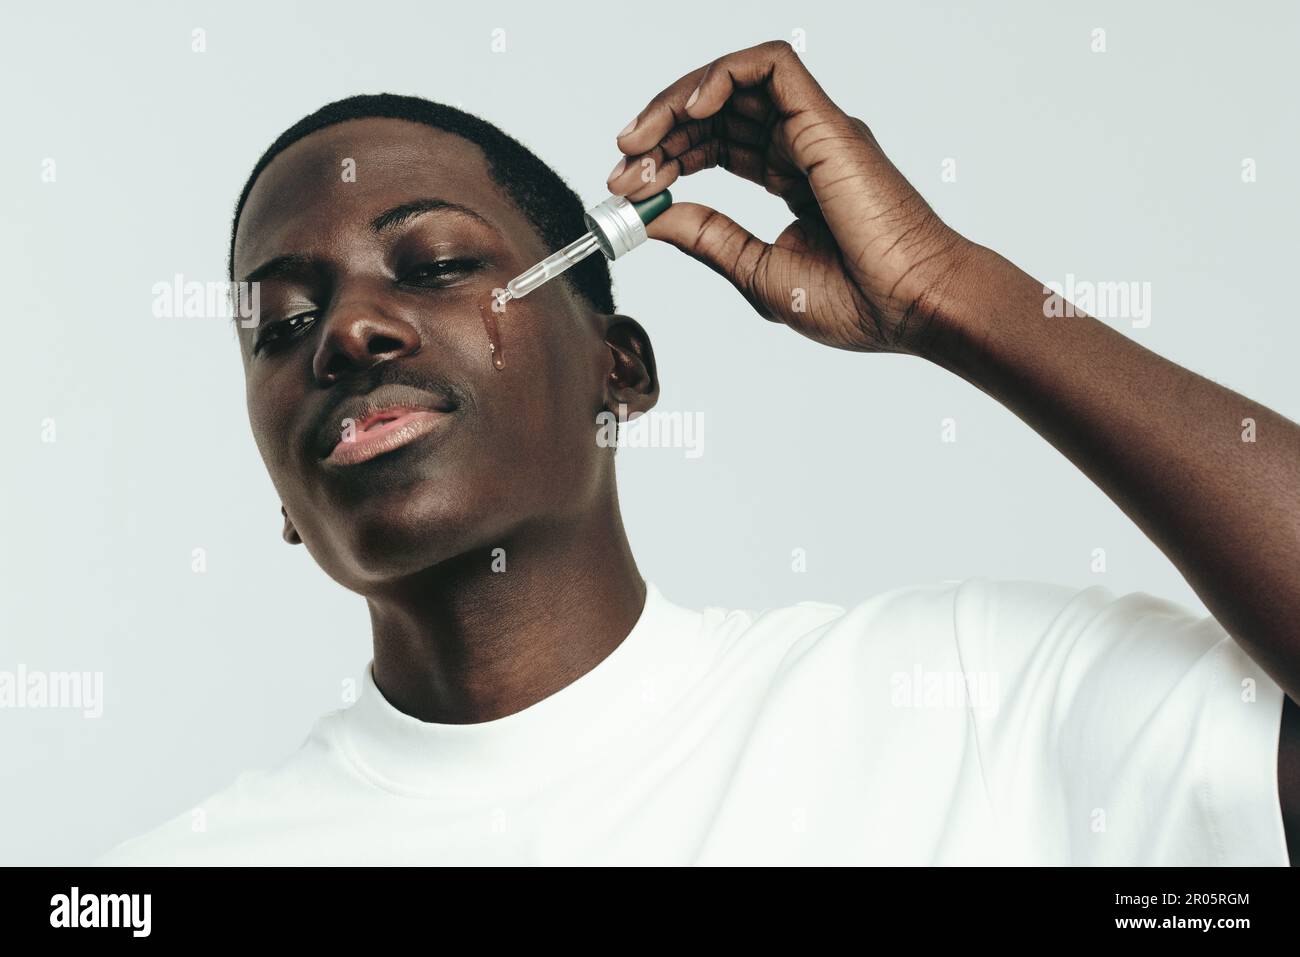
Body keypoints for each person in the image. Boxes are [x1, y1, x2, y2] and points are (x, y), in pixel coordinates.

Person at [95, 40, 1298, 865]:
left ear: (622, 369)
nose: (349, 332)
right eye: (286, 325)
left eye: (437, 265)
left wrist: (948, 293)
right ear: (287, 496)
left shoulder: (971, 704)